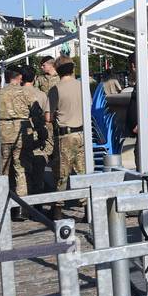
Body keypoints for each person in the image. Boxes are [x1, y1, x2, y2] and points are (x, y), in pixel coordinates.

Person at [0, 66, 34, 201]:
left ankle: (4, 203)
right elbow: (36, 113)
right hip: (21, 134)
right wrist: (39, 132)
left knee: (3, 172)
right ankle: (22, 207)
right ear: (20, 77)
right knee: (21, 170)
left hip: (3, 134)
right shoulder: (25, 93)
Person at [49, 58, 85, 198]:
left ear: (58, 71)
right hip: (82, 133)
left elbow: (48, 116)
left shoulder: (55, 89)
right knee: (83, 172)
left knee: (62, 174)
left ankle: (58, 207)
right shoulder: (82, 86)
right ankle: (87, 205)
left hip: (65, 136)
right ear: (72, 69)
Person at [21, 64, 53, 194]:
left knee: (23, 173)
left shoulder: (18, 94)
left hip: (22, 138)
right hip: (38, 139)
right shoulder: (41, 95)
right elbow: (47, 117)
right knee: (39, 173)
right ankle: (38, 204)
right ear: (34, 78)